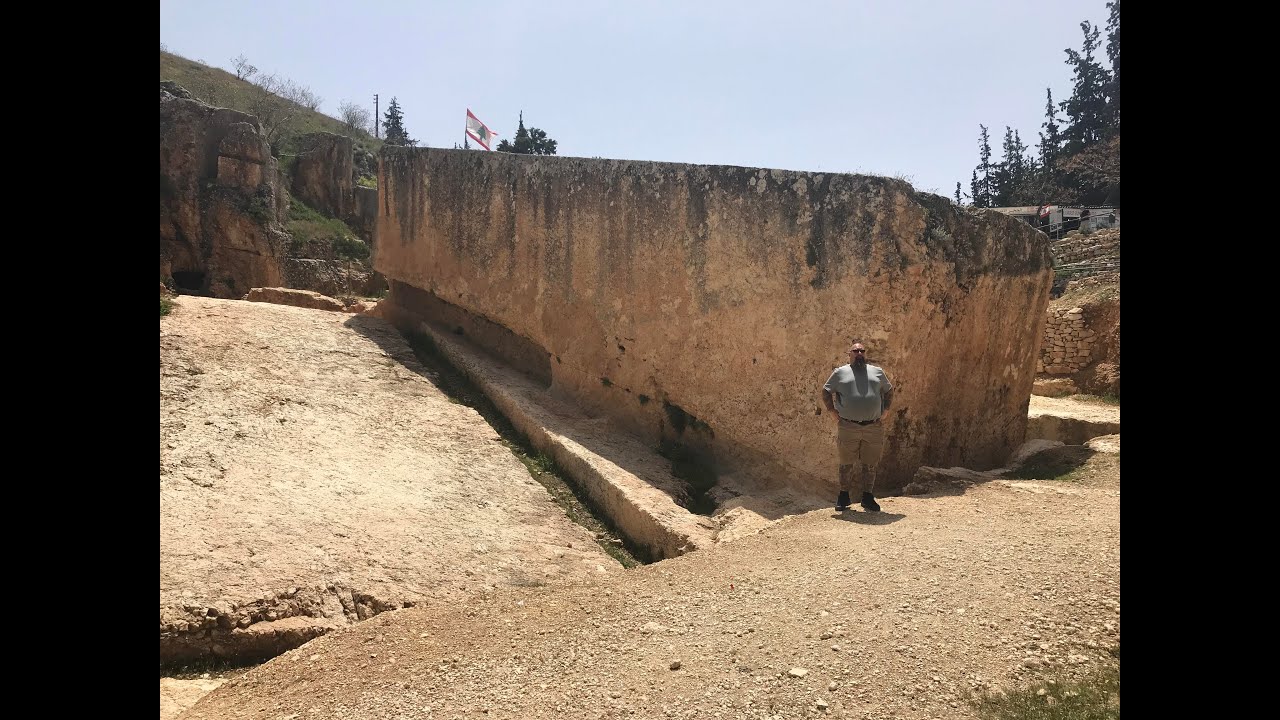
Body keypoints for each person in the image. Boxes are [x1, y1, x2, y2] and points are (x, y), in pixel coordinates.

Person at [821, 340, 894, 512]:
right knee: (846, 462)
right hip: (848, 426)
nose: (859, 354)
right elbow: (826, 391)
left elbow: (889, 390)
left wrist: (887, 410)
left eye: (862, 351)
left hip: (873, 427)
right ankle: (844, 496)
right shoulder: (840, 373)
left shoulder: (877, 372)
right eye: (855, 351)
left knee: (870, 464)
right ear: (849, 354)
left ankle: (867, 497)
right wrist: (832, 411)